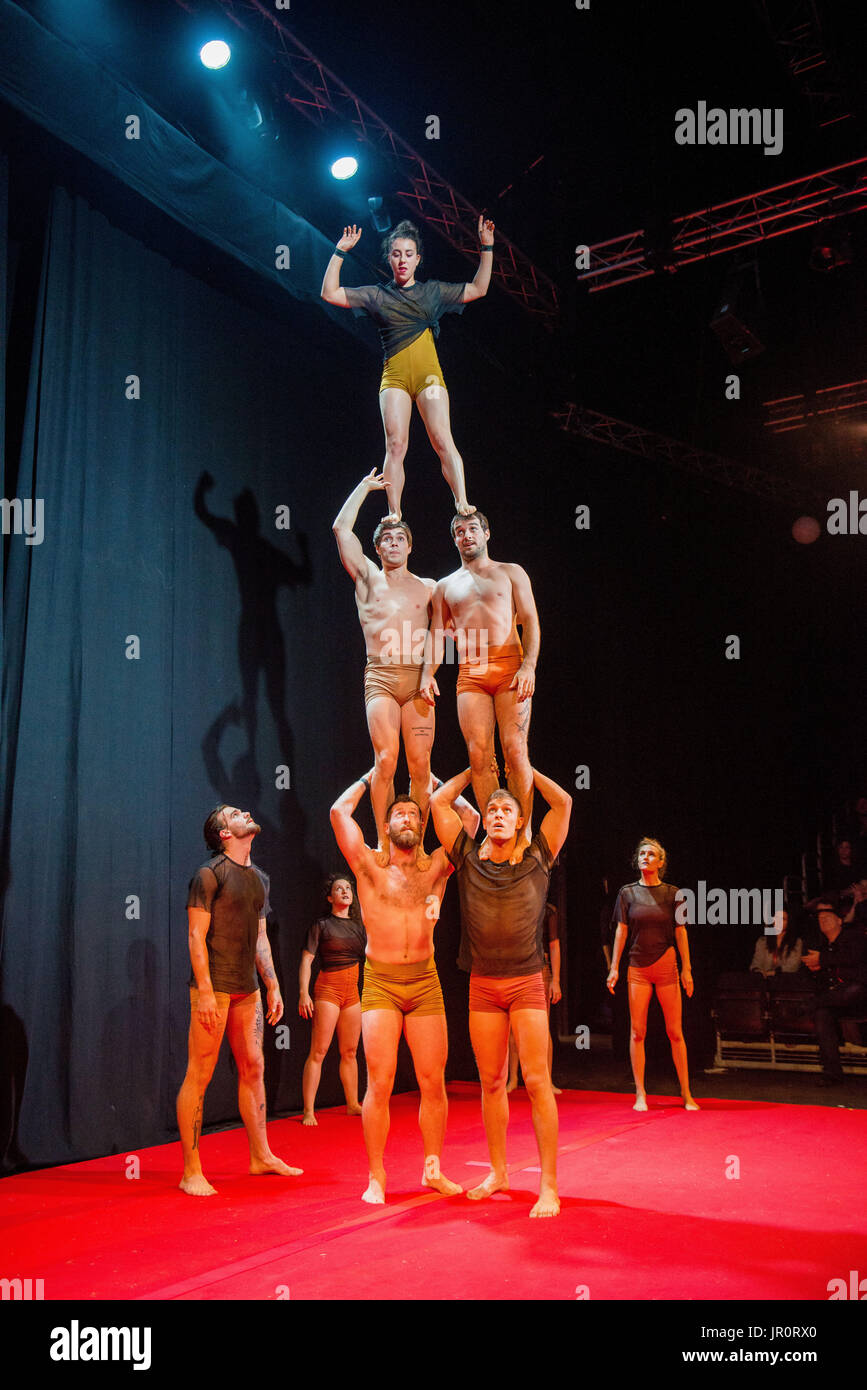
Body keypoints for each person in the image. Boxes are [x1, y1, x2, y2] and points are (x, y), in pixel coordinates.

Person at [330, 772, 479, 1204]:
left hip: (425, 982)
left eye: (415, 814)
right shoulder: (369, 866)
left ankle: (432, 1168)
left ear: (424, 822)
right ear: (387, 825)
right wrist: (371, 774)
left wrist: (430, 781)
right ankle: (376, 1177)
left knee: (434, 1082)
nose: (408, 819)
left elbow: (470, 818)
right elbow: (339, 812)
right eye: (399, 814)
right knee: (380, 1082)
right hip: (380, 983)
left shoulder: (437, 865)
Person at [430, 767, 572, 1218]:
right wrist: (475, 772)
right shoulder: (467, 858)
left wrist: (526, 770)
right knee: (491, 1083)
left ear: (518, 821)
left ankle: (548, 1185)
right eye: (491, 809)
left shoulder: (538, 857)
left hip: (527, 980)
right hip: (483, 985)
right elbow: (438, 802)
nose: (496, 814)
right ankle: (498, 1172)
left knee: (535, 1081)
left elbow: (564, 803)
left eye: (506, 810)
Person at [321, 217, 494, 520]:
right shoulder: (377, 295)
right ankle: (394, 512)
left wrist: (487, 246)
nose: (402, 259)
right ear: (389, 258)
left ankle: (461, 500)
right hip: (395, 378)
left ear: (418, 259)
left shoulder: (433, 292)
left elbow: (479, 288)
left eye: (408, 253)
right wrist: (340, 252)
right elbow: (330, 293)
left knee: (442, 437)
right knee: (396, 444)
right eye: (396, 253)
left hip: (429, 377)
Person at [176, 805, 302, 1195]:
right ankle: (191, 1172)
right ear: (223, 833)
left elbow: (261, 937)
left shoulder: (259, 879)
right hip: (213, 989)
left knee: (254, 1067)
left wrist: (274, 985)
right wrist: (208, 992)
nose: (245, 812)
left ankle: (261, 1156)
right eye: (234, 813)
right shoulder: (208, 875)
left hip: (247, 989)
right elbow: (196, 937)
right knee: (201, 1072)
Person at [420, 511, 540, 861]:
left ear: (486, 532)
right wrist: (427, 673)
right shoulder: (445, 586)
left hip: (509, 666)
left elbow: (531, 619)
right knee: (478, 757)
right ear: (454, 540)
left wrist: (529, 665)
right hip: (471, 672)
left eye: (473, 529)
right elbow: (437, 636)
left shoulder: (511, 572)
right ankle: (492, 830)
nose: (466, 535)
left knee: (514, 750)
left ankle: (523, 826)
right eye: (459, 531)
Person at [332, 471, 436, 839]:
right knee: (386, 760)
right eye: (386, 540)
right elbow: (342, 530)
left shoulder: (429, 587)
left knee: (421, 765)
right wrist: (363, 488)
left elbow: (443, 635)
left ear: (410, 547)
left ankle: (417, 841)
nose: (393, 544)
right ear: (377, 549)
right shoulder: (368, 578)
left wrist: (431, 672)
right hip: (381, 678)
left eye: (400, 539)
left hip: (418, 681)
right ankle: (383, 839)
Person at [607, 837, 699, 1112]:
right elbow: (621, 931)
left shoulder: (674, 893)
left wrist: (687, 969)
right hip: (637, 968)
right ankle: (640, 1093)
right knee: (637, 1031)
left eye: (651, 854)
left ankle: (686, 1093)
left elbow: (681, 932)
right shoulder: (627, 893)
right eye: (642, 854)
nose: (645, 857)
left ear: (660, 862)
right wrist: (613, 967)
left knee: (675, 1031)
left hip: (666, 966)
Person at [298, 875, 367, 1125]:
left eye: (348, 888)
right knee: (319, 1051)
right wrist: (304, 993)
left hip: (352, 994)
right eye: (339, 889)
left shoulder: (360, 926)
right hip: (328, 992)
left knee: (350, 1051)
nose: (345, 891)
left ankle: (352, 1104)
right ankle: (308, 1110)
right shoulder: (322, 925)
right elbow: (307, 961)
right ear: (330, 898)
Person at [802, 895, 867, 1086]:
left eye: (828, 917)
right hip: (838, 1000)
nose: (823, 921)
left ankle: (808, 1005)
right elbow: (825, 979)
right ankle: (832, 1073)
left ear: (840, 920)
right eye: (820, 919)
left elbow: (853, 957)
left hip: (861, 995)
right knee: (823, 1014)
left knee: (855, 988)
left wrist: (822, 961)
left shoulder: (854, 937)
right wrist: (816, 969)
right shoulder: (822, 947)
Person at [507, 901, 562, 1094]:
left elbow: (554, 945)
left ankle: (547, 1079)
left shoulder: (548, 910)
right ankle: (513, 1078)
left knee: (542, 1027)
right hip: (516, 967)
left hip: (540, 967)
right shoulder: (515, 905)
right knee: (513, 1029)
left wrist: (556, 980)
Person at [749, 907, 804, 975]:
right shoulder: (762, 941)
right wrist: (758, 971)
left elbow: (793, 966)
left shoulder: (797, 942)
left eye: (783, 919)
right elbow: (756, 963)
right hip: (764, 981)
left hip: (786, 980)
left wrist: (774, 973)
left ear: (789, 922)